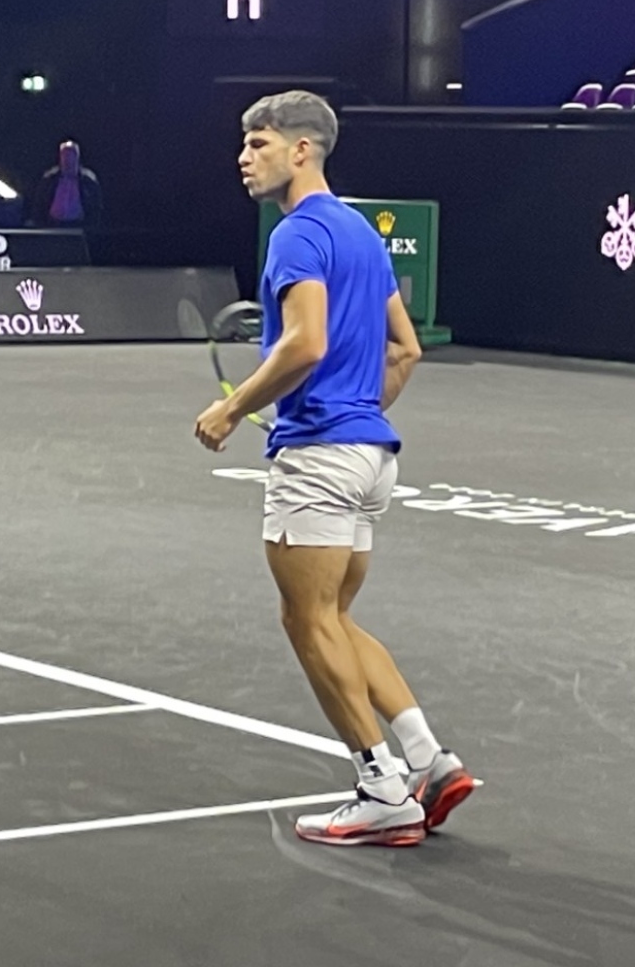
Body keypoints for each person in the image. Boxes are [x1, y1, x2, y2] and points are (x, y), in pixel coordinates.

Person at [194, 90, 476, 847]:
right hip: (369, 455)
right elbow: (406, 349)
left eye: (258, 143)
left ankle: (382, 787)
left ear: (302, 151)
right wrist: (359, 410)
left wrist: (232, 409)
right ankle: (430, 760)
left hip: (319, 457)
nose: (244, 157)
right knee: (335, 617)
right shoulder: (361, 233)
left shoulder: (296, 234)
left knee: (307, 619)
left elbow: (304, 343)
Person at [29, 139, 103, 228]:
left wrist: (91, 228)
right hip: (53, 225)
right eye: (65, 156)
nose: (68, 160)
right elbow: (39, 204)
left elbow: (96, 207)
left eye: (71, 156)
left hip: (79, 226)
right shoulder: (49, 178)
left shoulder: (88, 180)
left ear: (77, 157)